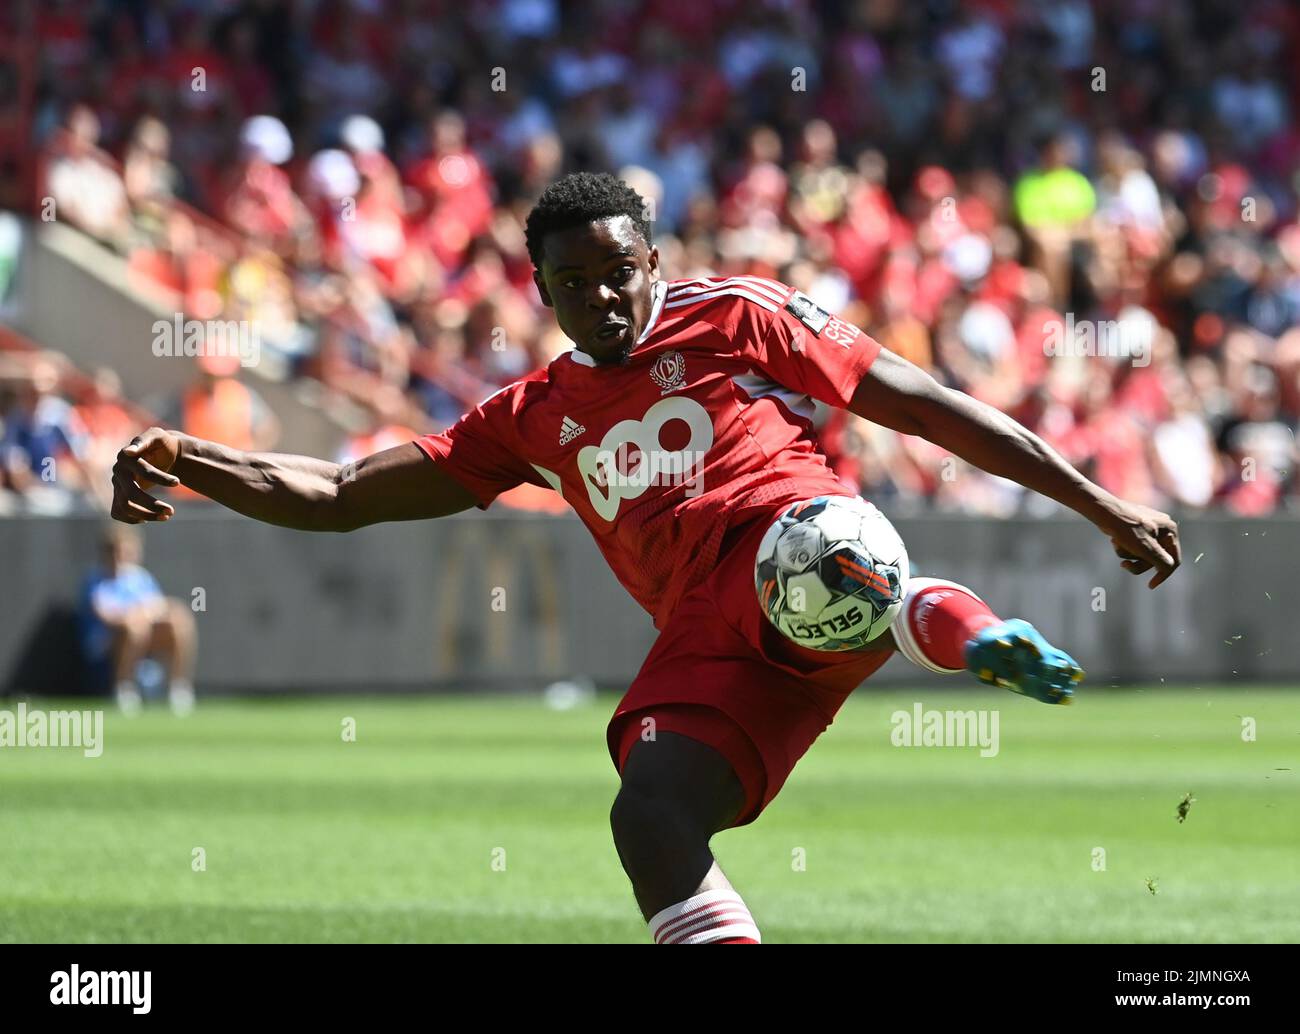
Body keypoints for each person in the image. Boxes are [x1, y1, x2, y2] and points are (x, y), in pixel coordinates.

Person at [111, 173, 1180, 944]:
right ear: (542, 290)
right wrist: (192, 458)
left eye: (620, 271)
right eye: (575, 282)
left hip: (789, 534)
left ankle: (954, 622)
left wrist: (1094, 499)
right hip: (704, 638)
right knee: (649, 817)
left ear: (653, 261)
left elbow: (922, 404)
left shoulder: (737, 314)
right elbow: (343, 495)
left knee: (814, 554)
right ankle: (930, 618)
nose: (604, 296)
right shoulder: (532, 415)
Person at [79, 524, 197, 715]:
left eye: (126, 552)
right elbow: (106, 617)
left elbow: (158, 608)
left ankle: (178, 690)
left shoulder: (140, 578)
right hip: (106, 645)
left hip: (143, 637)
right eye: (116, 552)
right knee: (134, 627)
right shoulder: (96, 580)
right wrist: (137, 615)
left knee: (179, 620)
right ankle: (124, 689)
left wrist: (148, 613)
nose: (121, 558)